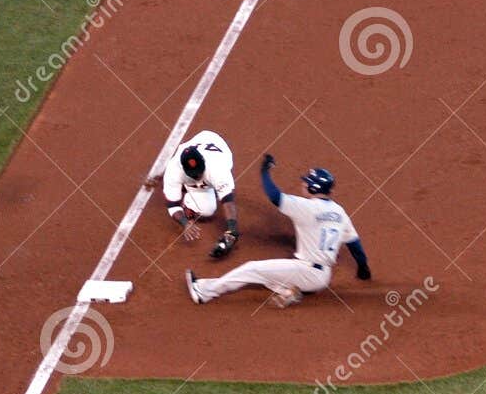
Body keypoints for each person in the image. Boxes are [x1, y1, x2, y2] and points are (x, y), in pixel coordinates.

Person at [186, 154, 370, 307]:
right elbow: (355, 244)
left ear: (314, 187)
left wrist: (265, 172)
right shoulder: (339, 212)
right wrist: (363, 268)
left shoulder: (307, 207)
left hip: (306, 271)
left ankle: (204, 292)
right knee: (266, 273)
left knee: (252, 268)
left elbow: (275, 197)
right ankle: (289, 291)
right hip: (323, 276)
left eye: (307, 182)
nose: (303, 184)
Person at [145, 129, 240, 257]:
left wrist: (232, 231)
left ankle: (194, 185)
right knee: (206, 210)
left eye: (199, 171)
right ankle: (183, 188)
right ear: (183, 168)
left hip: (214, 143)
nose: (197, 175)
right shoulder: (175, 168)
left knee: (217, 188)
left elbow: (228, 201)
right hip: (187, 151)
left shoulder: (218, 168)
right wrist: (185, 222)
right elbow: (172, 205)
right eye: (193, 174)